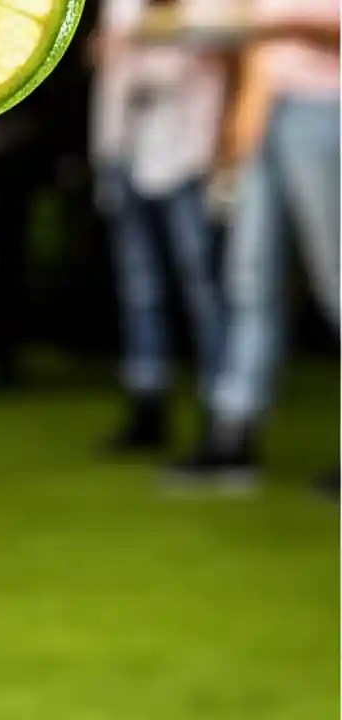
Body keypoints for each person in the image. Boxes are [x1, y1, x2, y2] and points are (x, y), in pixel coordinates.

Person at [171, 0, 340, 491]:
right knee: (250, 279)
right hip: (265, 110)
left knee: (336, 280)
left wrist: (284, 27)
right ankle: (233, 432)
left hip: (325, 107)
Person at [91, 0, 228, 452]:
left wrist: (154, 29)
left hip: (188, 148)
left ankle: (222, 409)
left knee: (203, 284)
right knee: (138, 285)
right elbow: (108, 47)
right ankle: (146, 400)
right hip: (124, 142)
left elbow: (223, 31)